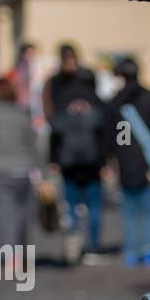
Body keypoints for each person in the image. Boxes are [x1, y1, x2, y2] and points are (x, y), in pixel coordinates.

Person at [105, 56, 150, 267]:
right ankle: (149, 248)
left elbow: (116, 136)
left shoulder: (116, 102)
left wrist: (118, 153)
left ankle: (132, 249)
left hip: (126, 161)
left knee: (130, 209)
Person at [45, 47, 106, 258]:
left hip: (68, 159)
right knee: (94, 205)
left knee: (70, 204)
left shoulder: (62, 100)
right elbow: (107, 133)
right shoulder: (96, 101)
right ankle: (94, 246)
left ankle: (72, 244)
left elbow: (55, 132)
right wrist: (107, 159)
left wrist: (53, 159)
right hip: (93, 160)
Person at [0, 77, 39, 249]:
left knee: (2, 216)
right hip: (23, 171)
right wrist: (42, 172)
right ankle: (20, 255)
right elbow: (33, 144)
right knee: (21, 215)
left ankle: (11, 258)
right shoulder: (22, 113)